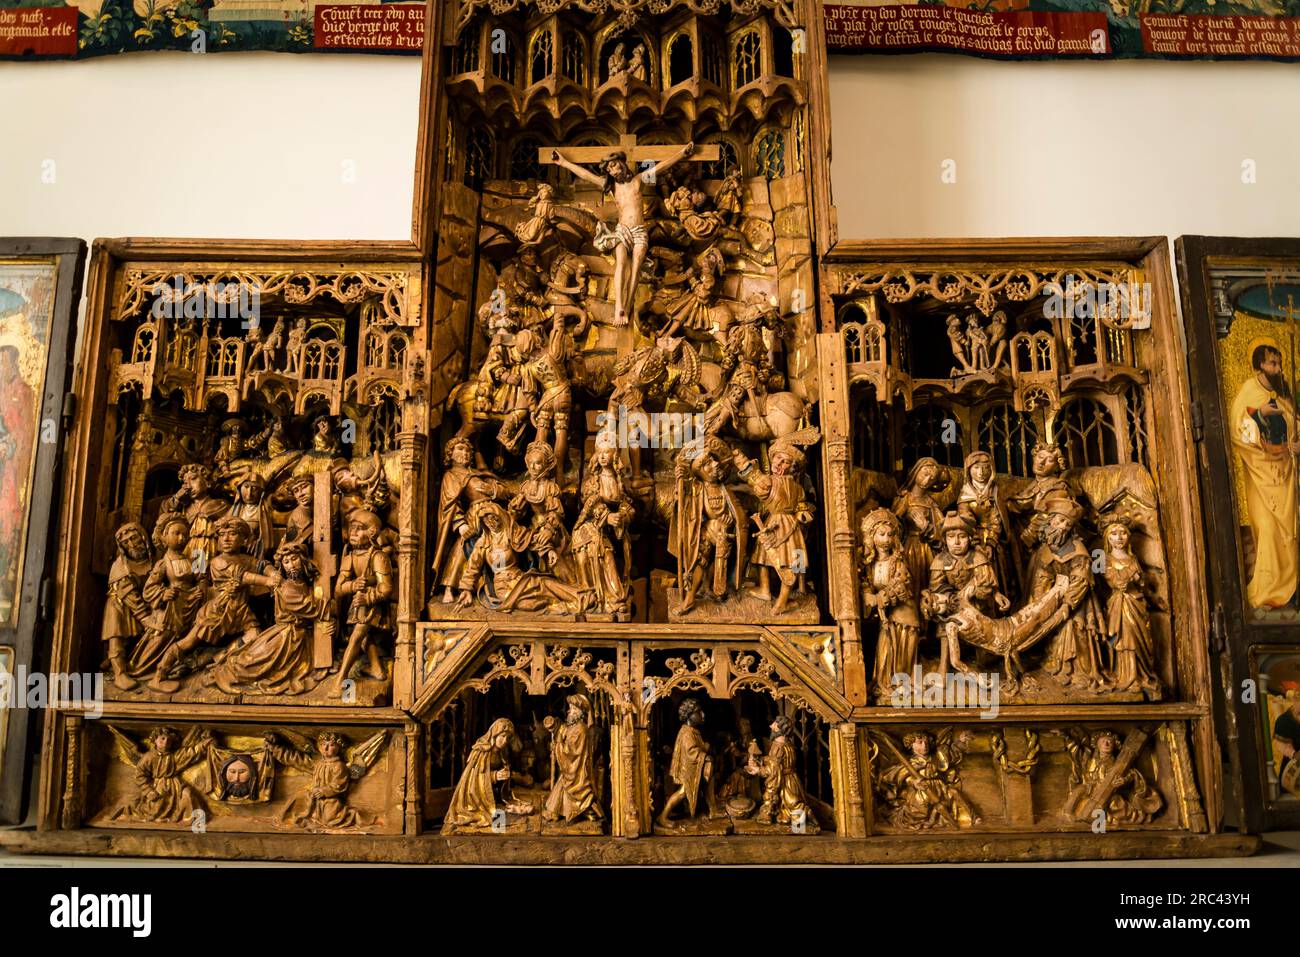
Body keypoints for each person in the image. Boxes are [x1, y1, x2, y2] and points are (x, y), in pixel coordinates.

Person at [550, 142, 697, 326]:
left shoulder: (638, 180)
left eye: (614, 165)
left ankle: (626, 307)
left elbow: (661, 167)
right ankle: (619, 305)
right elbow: (586, 175)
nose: (612, 171)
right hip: (622, 230)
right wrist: (563, 163)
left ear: (621, 162)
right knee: (620, 263)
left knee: (636, 266)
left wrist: (682, 153)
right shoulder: (611, 186)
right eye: (609, 169)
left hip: (639, 232)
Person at [1228, 342, 1299, 609]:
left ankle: (1290, 590)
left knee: (1290, 533)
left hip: (1285, 476)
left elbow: (1293, 422)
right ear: (1259, 365)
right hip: (1261, 477)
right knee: (1268, 531)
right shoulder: (1249, 391)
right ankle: (1270, 591)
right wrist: (1259, 414)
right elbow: (1238, 430)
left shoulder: (1279, 393)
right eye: (1272, 364)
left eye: (1279, 364)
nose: (1278, 369)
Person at [208, 539, 328, 696]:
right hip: (285, 637)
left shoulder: (302, 583)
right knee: (255, 663)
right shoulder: (287, 589)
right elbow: (311, 608)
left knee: (260, 660)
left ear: (303, 560)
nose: (291, 565)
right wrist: (330, 606)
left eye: (294, 559)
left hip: (298, 637)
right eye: (286, 562)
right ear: (282, 567)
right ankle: (226, 674)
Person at [734, 441, 816, 616]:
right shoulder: (776, 483)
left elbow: (801, 506)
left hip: (787, 526)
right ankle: (765, 589)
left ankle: (781, 602)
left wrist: (804, 514)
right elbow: (753, 478)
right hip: (776, 524)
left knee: (791, 563)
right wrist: (742, 461)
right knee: (764, 557)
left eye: (785, 462)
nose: (779, 464)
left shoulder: (791, 486)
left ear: (792, 467)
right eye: (778, 458)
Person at [860, 508, 921, 697]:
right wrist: (868, 595)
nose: (886, 539)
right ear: (872, 536)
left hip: (904, 615)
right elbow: (866, 584)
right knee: (885, 649)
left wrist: (882, 597)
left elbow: (902, 583)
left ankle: (903, 684)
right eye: (881, 534)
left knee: (903, 650)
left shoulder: (898, 560)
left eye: (890, 535)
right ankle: (884, 684)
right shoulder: (869, 563)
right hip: (886, 617)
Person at [1099, 516, 1163, 698]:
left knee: (1140, 642)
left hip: (1137, 605)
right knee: (1123, 641)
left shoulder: (1133, 559)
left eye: (1123, 533)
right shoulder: (1105, 560)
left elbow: (1140, 583)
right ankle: (1125, 677)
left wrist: (1142, 584)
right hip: (1119, 606)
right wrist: (1131, 575)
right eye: (1114, 533)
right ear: (1107, 538)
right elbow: (1116, 583)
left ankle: (1141, 676)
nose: (1119, 538)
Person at [445, 717, 535, 828]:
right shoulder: (482, 751)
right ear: (494, 734)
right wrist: (494, 776)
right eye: (502, 736)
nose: (505, 741)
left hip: (494, 795)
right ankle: (499, 818)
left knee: (529, 809)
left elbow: (502, 769)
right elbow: (475, 778)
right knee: (502, 820)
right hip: (478, 800)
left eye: (508, 737)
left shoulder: (501, 752)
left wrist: (505, 773)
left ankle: (503, 812)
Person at [101, 523, 153, 691]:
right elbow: (130, 597)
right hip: (131, 607)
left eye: (133, 538)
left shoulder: (157, 556)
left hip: (153, 604)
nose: (131, 544)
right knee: (114, 606)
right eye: (125, 542)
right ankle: (119, 671)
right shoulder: (121, 567)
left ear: (143, 536)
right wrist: (146, 619)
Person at [657, 698, 719, 826]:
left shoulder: (693, 731)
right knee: (683, 792)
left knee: (708, 782)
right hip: (688, 770)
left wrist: (705, 747)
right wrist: (705, 756)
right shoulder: (686, 733)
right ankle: (662, 817)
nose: (702, 714)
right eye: (698, 712)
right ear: (689, 715)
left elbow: (698, 746)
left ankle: (713, 810)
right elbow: (691, 751)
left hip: (695, 768)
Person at [745, 715, 815, 829]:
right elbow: (775, 761)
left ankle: (800, 827)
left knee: (792, 802)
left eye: (774, 724)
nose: (771, 726)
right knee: (790, 803)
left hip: (784, 781)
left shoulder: (778, 747)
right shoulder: (787, 744)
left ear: (780, 728)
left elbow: (774, 769)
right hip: (792, 779)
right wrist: (761, 760)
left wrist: (759, 770)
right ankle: (797, 824)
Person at [542, 694, 602, 824]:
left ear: (582, 713)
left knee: (575, 788)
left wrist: (558, 747)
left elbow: (571, 751)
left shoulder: (581, 729)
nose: (570, 711)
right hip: (571, 768)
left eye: (574, 709)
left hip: (577, 768)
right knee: (561, 786)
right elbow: (564, 731)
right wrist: (557, 730)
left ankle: (581, 810)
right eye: (570, 708)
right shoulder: (573, 726)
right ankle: (558, 811)